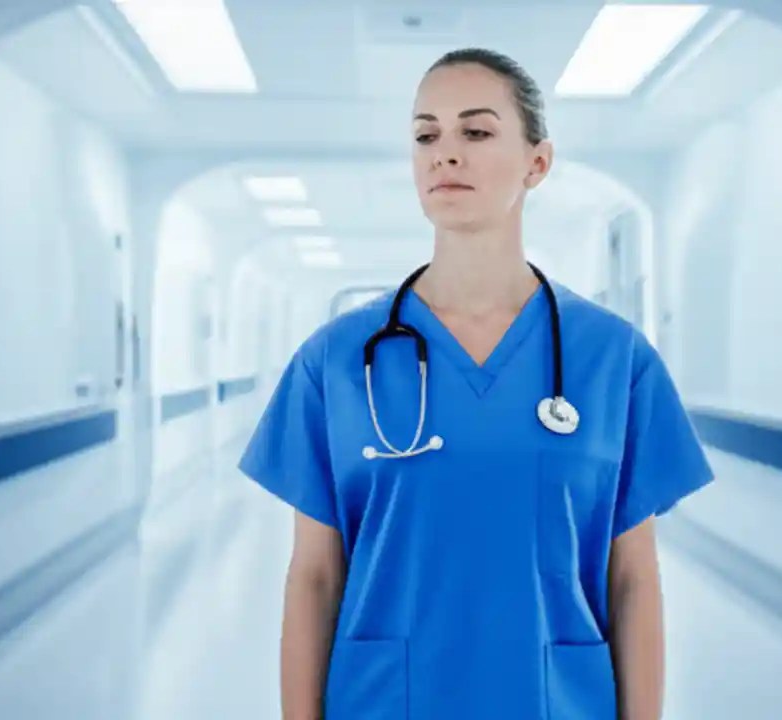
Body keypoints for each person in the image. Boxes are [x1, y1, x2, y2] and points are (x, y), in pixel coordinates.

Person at [238, 47, 714, 720]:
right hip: (384, 703)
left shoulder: (613, 359)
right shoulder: (338, 360)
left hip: (557, 702)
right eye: (426, 134)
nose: (444, 153)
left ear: (537, 163)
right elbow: (314, 577)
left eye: (477, 131)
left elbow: (632, 578)